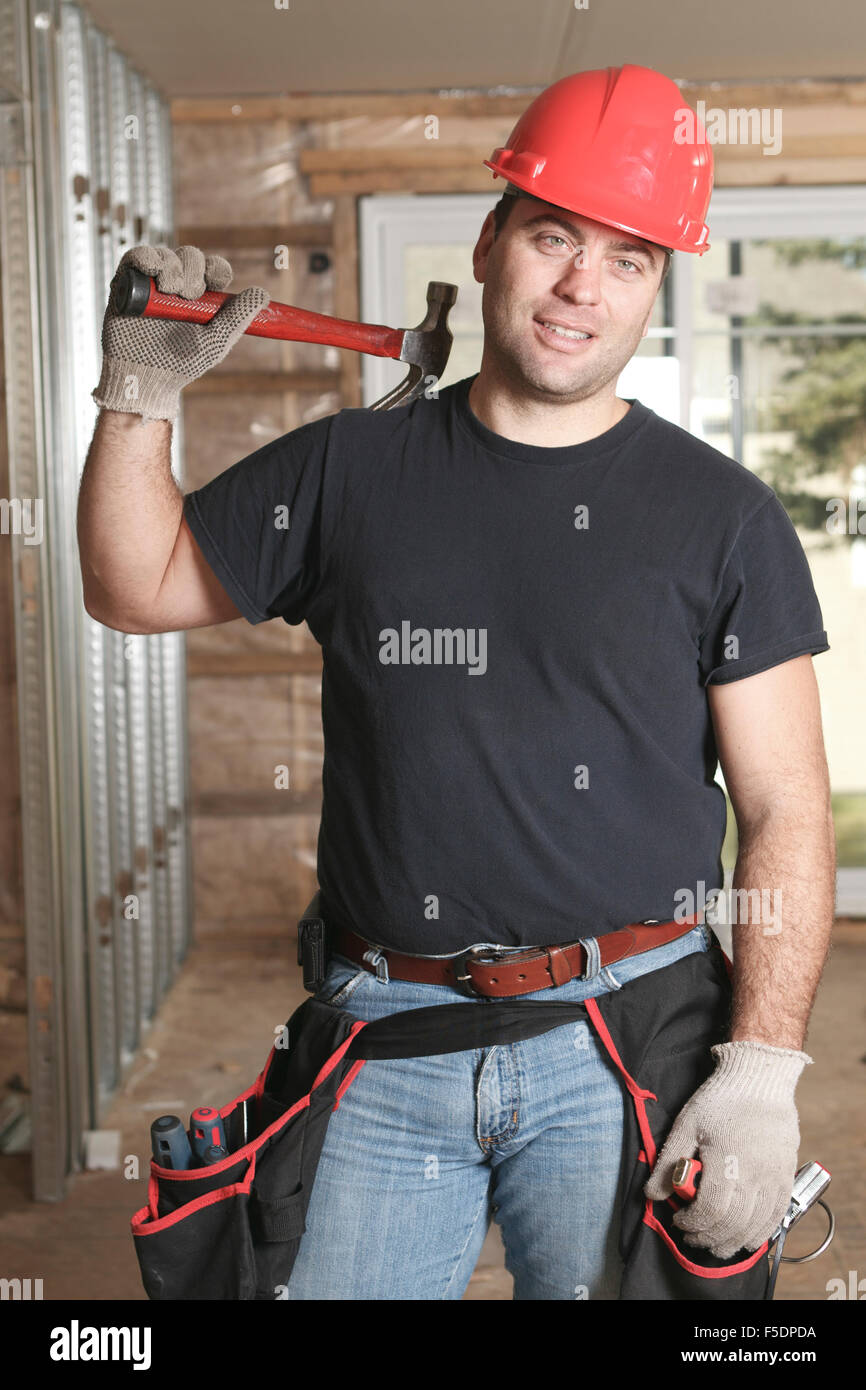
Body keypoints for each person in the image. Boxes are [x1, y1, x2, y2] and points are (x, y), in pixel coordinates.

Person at [78, 65, 835, 1301]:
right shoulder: (350, 470)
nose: (582, 287)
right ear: (489, 243)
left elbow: (788, 810)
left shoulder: (722, 520)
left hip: (624, 1036)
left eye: (628, 257)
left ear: (656, 285)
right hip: (385, 1035)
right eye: (552, 237)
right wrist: (140, 392)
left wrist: (758, 1074)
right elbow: (132, 585)